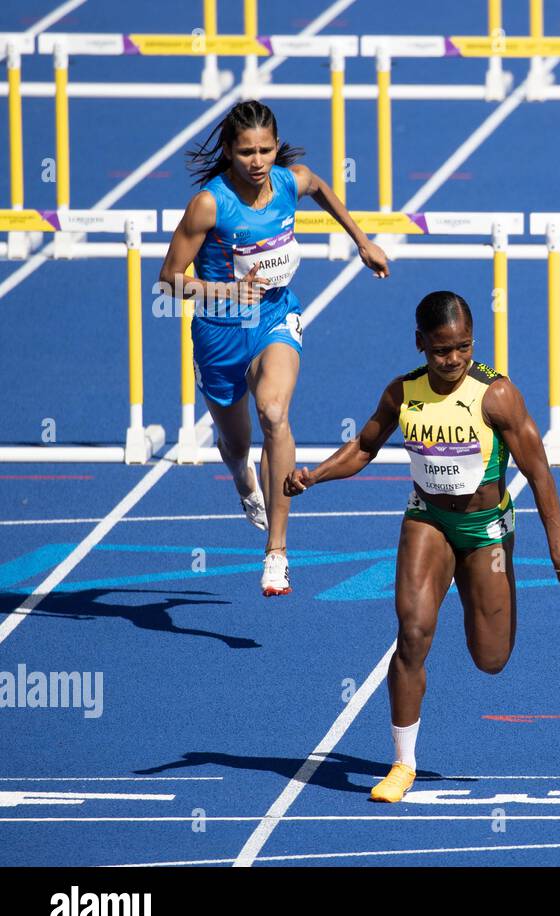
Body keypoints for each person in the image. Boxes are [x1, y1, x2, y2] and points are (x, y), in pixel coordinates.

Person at [284, 291, 560, 803]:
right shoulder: (404, 392)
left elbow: (538, 472)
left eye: (463, 348)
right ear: (421, 343)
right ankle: (404, 764)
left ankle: (486, 590)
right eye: (442, 350)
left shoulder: (497, 395)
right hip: (428, 520)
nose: (453, 360)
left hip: (487, 528)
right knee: (414, 630)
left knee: (490, 658)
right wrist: (315, 476)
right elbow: (363, 446)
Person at [159, 100, 389, 596]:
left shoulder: (290, 181)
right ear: (228, 150)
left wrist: (361, 241)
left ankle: (277, 552)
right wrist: (223, 292)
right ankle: (242, 476)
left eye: (265, 150)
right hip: (219, 333)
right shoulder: (209, 204)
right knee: (236, 441)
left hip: (274, 318)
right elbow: (169, 282)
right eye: (246, 152)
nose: (257, 161)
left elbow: (322, 189)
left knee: (274, 412)